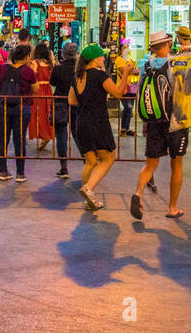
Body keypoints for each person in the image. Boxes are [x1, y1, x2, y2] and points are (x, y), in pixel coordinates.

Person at [69, 43, 134, 210]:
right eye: (101, 56)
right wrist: (126, 73)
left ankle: (88, 199)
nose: (103, 58)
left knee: (90, 162)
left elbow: (72, 101)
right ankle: (88, 189)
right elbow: (119, 93)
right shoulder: (100, 76)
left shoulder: (78, 77)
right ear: (94, 59)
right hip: (98, 122)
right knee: (108, 158)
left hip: (81, 122)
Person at [131, 31, 185, 219]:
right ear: (168, 43)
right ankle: (172, 207)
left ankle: (138, 192)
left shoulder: (145, 66)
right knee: (176, 163)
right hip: (175, 121)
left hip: (153, 120)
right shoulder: (175, 64)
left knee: (150, 164)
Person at [0, 42, 36, 181]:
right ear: (25, 57)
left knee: (2, 139)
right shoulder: (28, 71)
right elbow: (35, 89)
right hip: (22, 107)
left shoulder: (2, 68)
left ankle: (3, 171)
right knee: (19, 139)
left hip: (2, 106)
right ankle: (20, 173)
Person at [49, 41, 78, 178]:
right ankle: (88, 163)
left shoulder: (58, 68)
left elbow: (52, 82)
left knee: (61, 136)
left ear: (63, 54)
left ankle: (64, 167)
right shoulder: (80, 70)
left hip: (60, 103)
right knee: (78, 134)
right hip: (77, 104)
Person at [29, 41, 55, 151]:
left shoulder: (35, 62)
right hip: (48, 90)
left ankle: (43, 136)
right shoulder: (50, 64)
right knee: (47, 112)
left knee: (37, 113)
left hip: (37, 90)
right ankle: (46, 135)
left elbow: (31, 77)